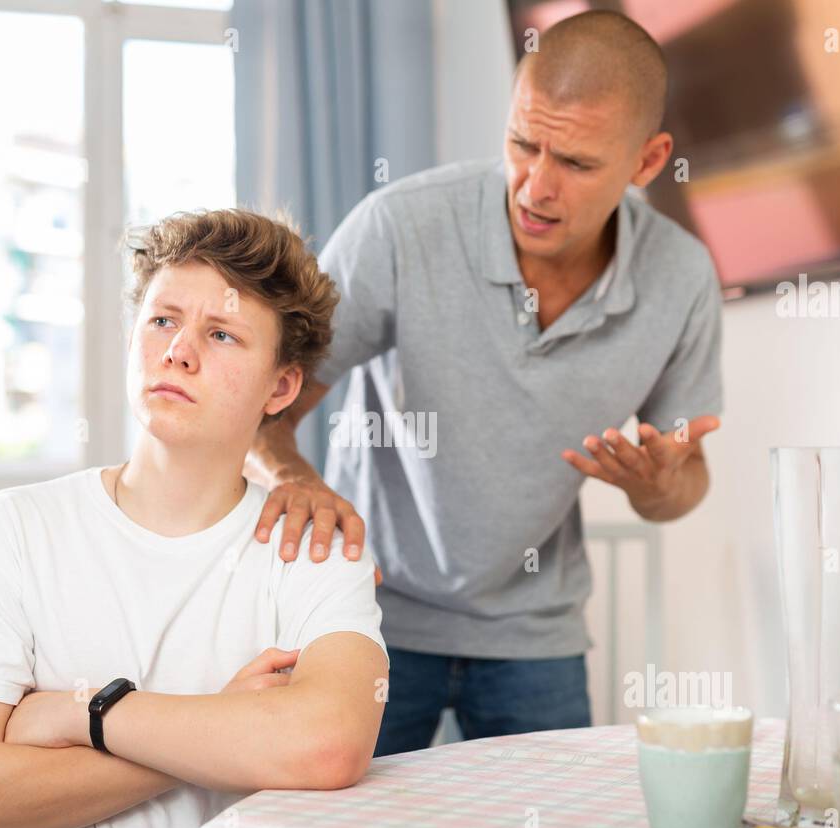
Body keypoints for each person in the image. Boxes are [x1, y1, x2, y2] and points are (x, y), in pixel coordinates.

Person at [244, 11, 723, 755]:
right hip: (368, 618)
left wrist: (656, 484)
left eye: (576, 163)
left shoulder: (682, 276)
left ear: (648, 161)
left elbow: (685, 486)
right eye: (523, 144)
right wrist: (293, 478)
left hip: (536, 639)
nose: (535, 186)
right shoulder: (400, 228)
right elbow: (260, 408)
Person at [0, 209, 389, 828]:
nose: (178, 351)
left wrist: (85, 717)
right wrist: (217, 731)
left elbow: (330, 743)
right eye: (162, 320)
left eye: (221, 334)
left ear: (282, 386)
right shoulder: (13, 528)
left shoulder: (313, 543)